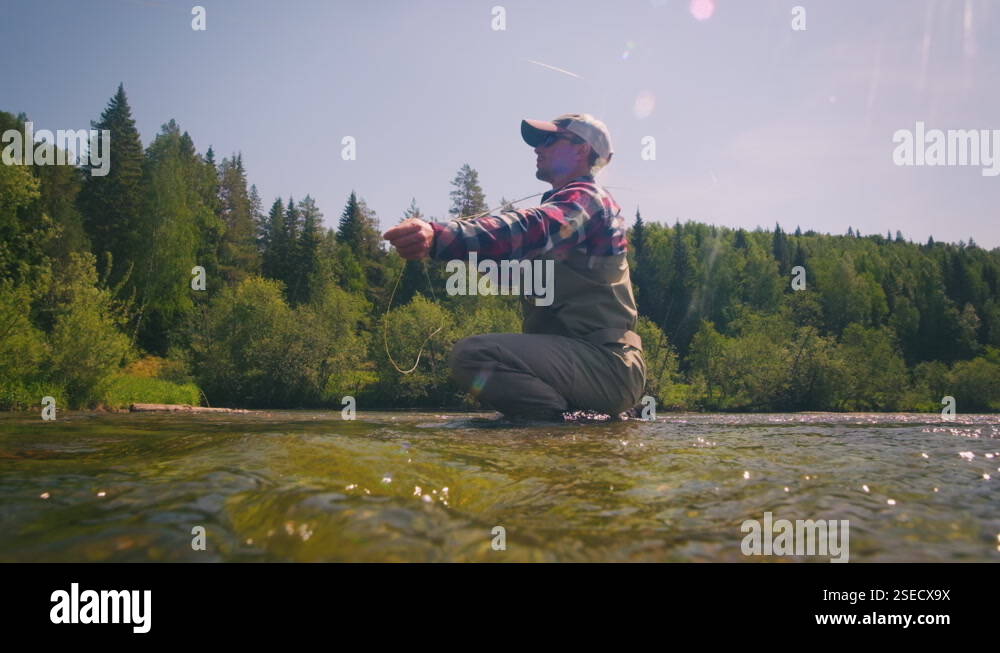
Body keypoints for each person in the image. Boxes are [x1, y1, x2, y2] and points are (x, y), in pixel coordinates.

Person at [382, 113, 645, 421]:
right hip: (587, 367)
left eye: (548, 140)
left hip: (606, 364)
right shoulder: (571, 210)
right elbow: (512, 252)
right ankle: (576, 426)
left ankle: (560, 430)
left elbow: (534, 227)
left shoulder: (587, 199)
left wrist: (439, 236)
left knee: (475, 356)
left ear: (581, 149)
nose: (537, 149)